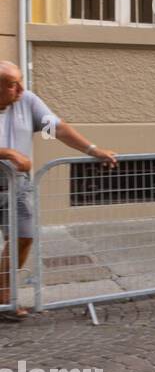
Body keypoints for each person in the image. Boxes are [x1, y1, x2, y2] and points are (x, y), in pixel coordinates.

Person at [0, 60, 118, 320]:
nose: (20, 89)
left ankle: (3, 297)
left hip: (15, 186)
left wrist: (93, 150)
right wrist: (7, 153)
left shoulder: (26, 101)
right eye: (12, 85)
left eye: (20, 82)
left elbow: (58, 128)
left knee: (24, 235)